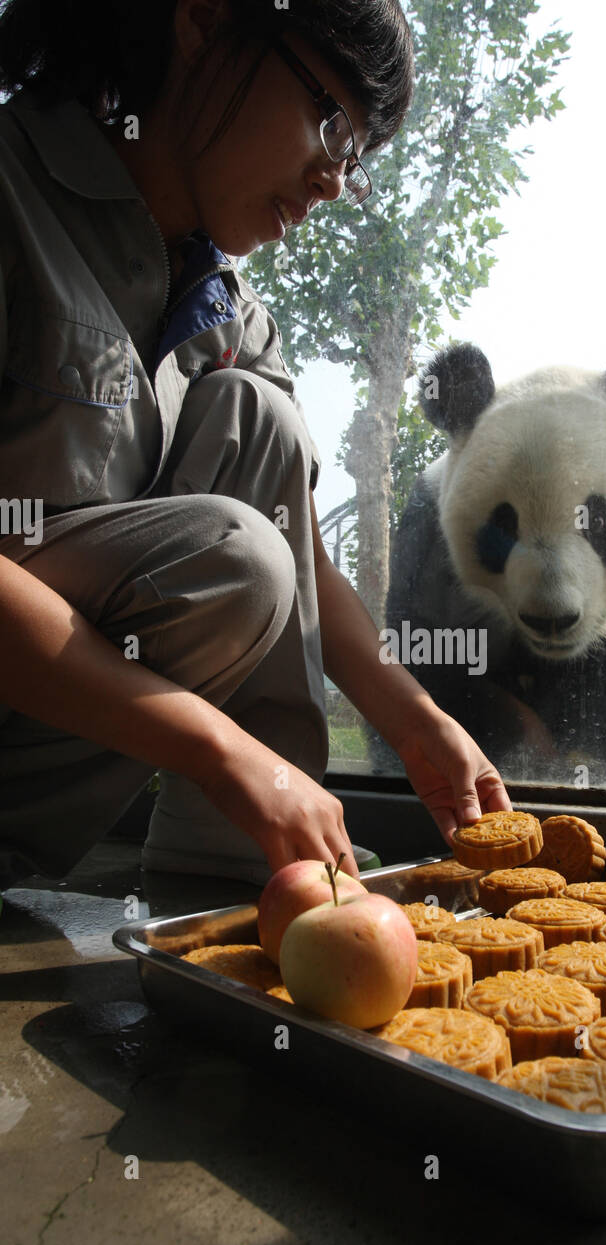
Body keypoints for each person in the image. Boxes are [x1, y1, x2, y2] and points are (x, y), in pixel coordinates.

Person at [0, 0, 511, 891]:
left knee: (258, 421)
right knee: (237, 563)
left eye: (354, 163)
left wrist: (418, 721)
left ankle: (249, 892)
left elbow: (302, 553)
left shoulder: (228, 310)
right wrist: (221, 750)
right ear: (201, 19)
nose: (330, 181)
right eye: (330, 124)